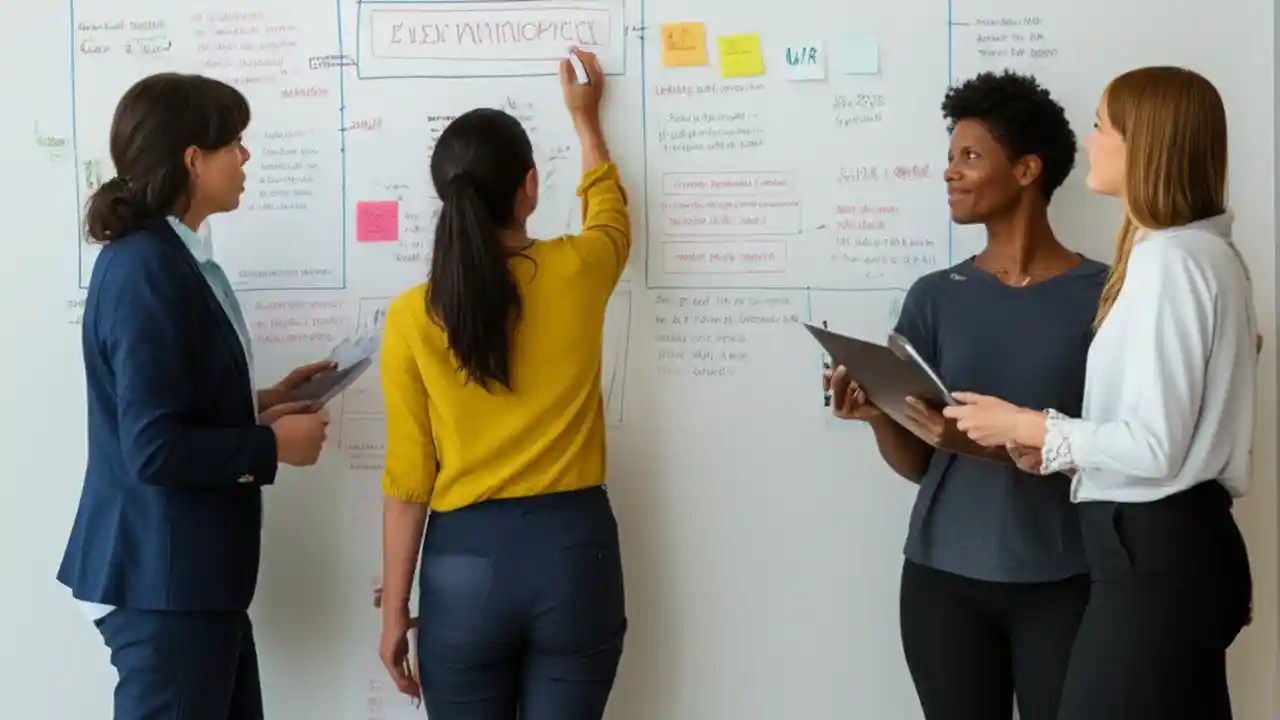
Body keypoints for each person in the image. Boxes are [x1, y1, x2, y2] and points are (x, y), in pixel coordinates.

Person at [942, 66, 1257, 719]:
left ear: (1146, 142)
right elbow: (1167, 432)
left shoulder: (1171, 261)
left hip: (1154, 553)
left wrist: (1029, 427)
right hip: (1174, 546)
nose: (1089, 143)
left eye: (1101, 127)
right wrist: (1066, 453)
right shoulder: (1206, 254)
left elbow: (1154, 447)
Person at [823, 70, 1107, 720]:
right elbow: (925, 465)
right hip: (942, 583)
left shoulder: (1105, 296)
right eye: (950, 157)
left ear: (1028, 169)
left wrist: (982, 443)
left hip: (1065, 581)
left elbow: (1119, 453)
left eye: (970, 156)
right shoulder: (935, 295)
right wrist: (875, 417)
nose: (950, 172)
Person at [56, 72, 333, 719]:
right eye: (233, 142)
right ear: (192, 159)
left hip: (190, 584)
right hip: (164, 583)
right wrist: (270, 446)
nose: (245, 157)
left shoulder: (171, 257)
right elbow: (153, 449)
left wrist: (259, 402)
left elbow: (172, 405)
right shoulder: (147, 267)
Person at [376, 48, 630, 719]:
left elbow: (409, 478)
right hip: (575, 554)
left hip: (465, 566)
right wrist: (586, 120)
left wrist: (395, 610)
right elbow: (609, 211)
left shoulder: (411, 316)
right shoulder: (579, 269)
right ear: (530, 186)